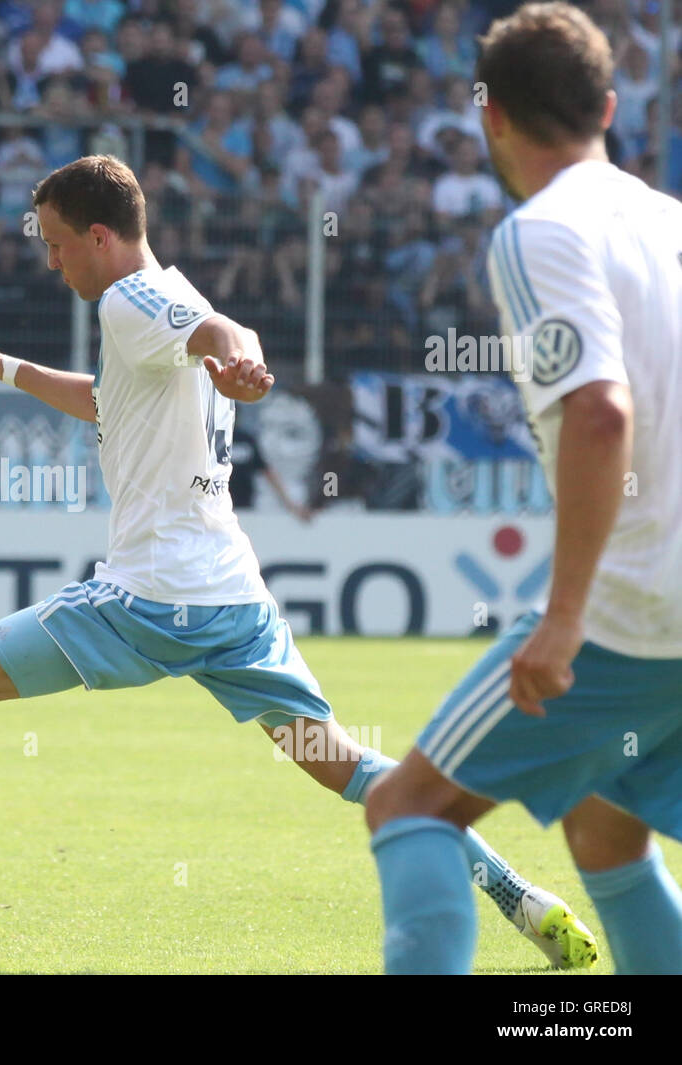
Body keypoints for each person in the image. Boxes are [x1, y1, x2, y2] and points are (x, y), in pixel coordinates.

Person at [0, 155, 594, 967]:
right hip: (232, 601)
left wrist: (242, 357)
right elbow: (118, 400)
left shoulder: (131, 297)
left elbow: (223, 336)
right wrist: (0, 366)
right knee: (339, 762)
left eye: (58, 244)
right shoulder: (149, 312)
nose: (52, 260)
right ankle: (528, 901)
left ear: (102, 237)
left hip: (150, 598)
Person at [363, 2, 682, 974]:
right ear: (610, 107)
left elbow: (597, 415)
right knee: (603, 822)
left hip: (633, 614)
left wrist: (562, 619)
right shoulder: (667, 220)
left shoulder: (539, 232)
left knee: (408, 805)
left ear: (490, 116)